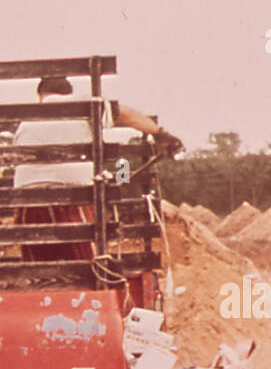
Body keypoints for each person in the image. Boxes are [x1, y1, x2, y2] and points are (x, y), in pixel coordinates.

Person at [13, 75, 180, 260]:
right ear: (68, 93)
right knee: (84, 266)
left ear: (40, 96)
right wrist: (159, 133)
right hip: (71, 200)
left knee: (39, 268)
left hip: (27, 205)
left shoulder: (25, 122)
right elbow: (124, 114)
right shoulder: (80, 105)